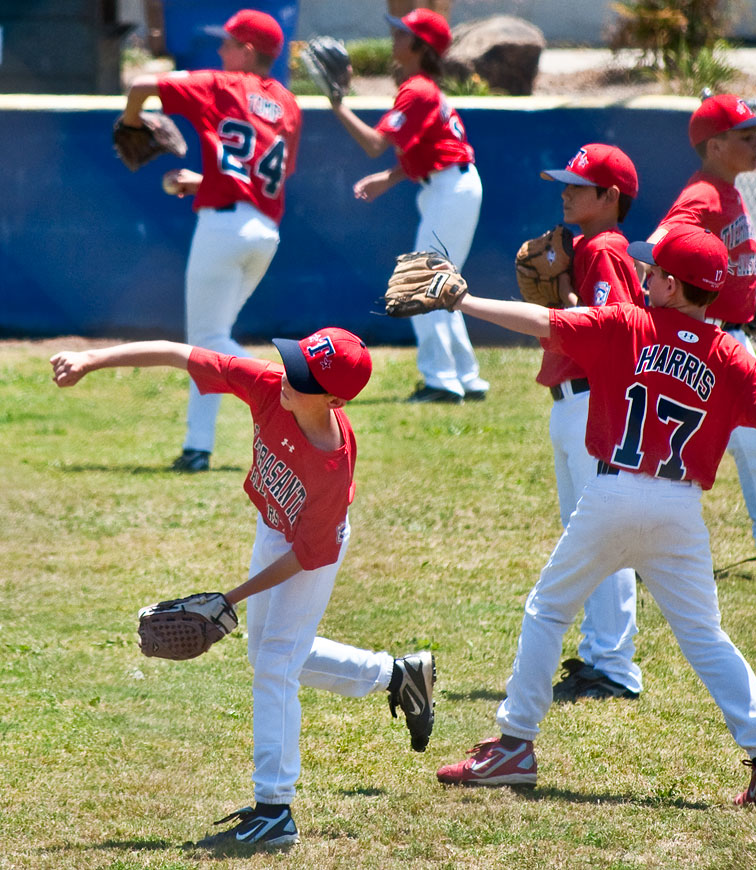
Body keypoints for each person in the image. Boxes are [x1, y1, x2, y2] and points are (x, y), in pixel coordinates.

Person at [432, 225, 756, 804]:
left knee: (548, 610)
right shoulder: (729, 354)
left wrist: (462, 300)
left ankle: (513, 745)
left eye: (654, 272)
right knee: (705, 637)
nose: (645, 277)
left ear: (673, 287)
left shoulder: (628, 324)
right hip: (679, 511)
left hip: (612, 496)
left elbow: (542, 321)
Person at [50, 327, 436, 850]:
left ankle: (274, 810)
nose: (289, 378)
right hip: (275, 527)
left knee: (275, 664)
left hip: (311, 550)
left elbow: (307, 556)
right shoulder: (269, 385)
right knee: (271, 654)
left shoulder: (330, 464)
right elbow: (180, 353)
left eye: (303, 378)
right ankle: (398, 675)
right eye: (295, 363)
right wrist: (90, 359)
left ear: (335, 401)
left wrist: (230, 598)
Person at [121, 9, 302, 472]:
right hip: (264, 233)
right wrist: (204, 182)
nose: (220, 50)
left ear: (247, 50)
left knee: (207, 343)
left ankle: (298, 385)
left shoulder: (223, 84)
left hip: (223, 230)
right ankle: (197, 447)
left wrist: (133, 123)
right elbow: (262, 178)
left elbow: (140, 85)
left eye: (228, 43)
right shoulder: (288, 103)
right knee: (211, 339)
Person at [651, 93, 756, 582]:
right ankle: (643, 546)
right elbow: (661, 247)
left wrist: (744, 307)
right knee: (670, 444)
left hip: (728, 337)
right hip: (701, 341)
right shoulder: (701, 196)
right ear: (715, 146)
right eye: (746, 137)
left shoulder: (727, 190)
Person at [325, 7, 489, 404]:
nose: (394, 38)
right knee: (442, 284)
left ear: (419, 46)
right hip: (451, 185)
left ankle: (442, 382)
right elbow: (428, 150)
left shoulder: (417, 89)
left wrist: (338, 103)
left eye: (402, 34)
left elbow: (374, 144)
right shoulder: (424, 89)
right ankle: (465, 377)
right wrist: (390, 177)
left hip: (450, 189)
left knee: (421, 283)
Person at [533, 144, 644, 703]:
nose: (566, 192)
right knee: (588, 532)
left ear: (610, 197)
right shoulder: (591, 247)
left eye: (579, 185)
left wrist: (566, 300)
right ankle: (603, 655)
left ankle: (614, 665)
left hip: (591, 402)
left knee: (601, 533)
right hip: (574, 402)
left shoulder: (602, 249)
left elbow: (613, 328)